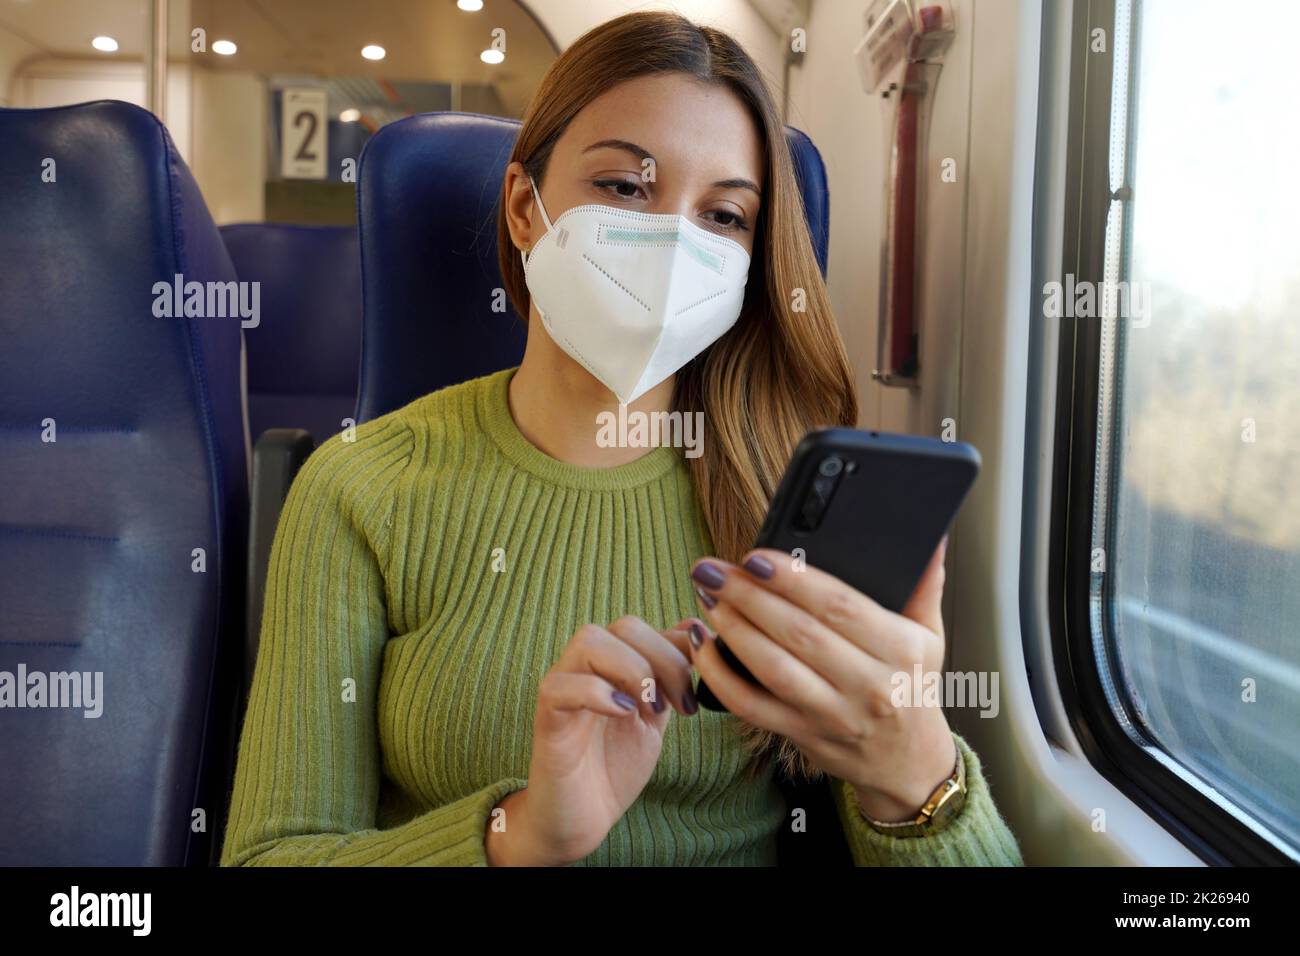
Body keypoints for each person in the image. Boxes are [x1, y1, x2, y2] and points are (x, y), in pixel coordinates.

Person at [220, 11, 1022, 867]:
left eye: (724, 216)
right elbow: (270, 855)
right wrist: (519, 837)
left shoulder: (798, 505)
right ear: (526, 209)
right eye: (627, 189)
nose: (676, 242)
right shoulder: (359, 486)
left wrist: (915, 773)